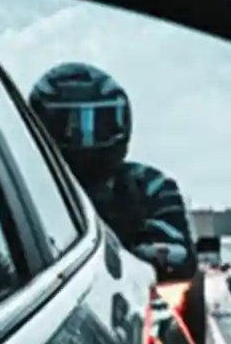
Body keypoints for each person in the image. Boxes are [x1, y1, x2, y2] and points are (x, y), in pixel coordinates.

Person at [27, 62, 197, 279]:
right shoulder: (33, 191)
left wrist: (140, 249)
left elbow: (179, 258)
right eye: (68, 126)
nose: (85, 141)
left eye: (101, 124)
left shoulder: (148, 186)